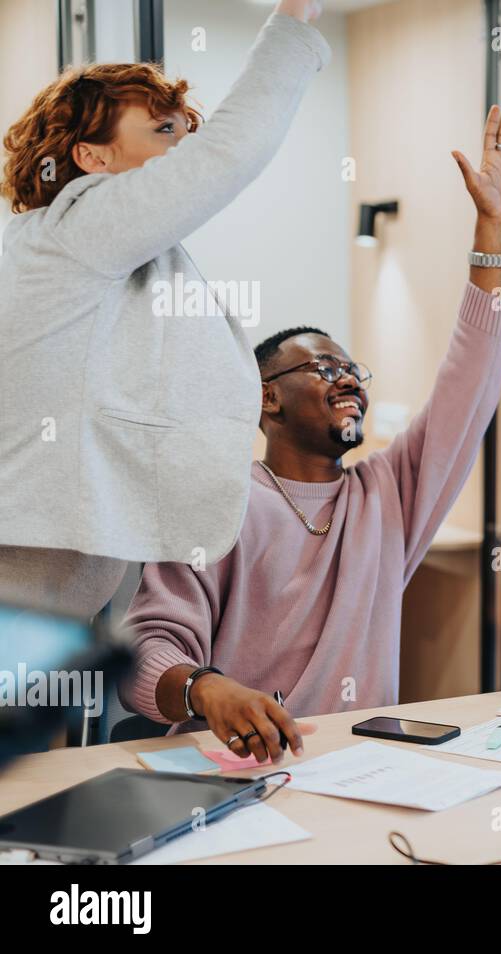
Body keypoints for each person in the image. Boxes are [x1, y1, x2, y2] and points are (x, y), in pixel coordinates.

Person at [119, 105, 501, 765]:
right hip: (231, 769)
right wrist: (209, 688)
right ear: (267, 399)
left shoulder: (389, 496)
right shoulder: (217, 500)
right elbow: (147, 653)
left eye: (352, 369)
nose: (348, 380)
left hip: (360, 764)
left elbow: (471, 384)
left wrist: (493, 231)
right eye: (322, 367)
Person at [0, 1, 329, 619]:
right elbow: (228, 155)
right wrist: (295, 18)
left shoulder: (74, 242)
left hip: (67, 549)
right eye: (164, 131)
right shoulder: (84, 222)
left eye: (187, 129)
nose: (188, 149)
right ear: (92, 158)